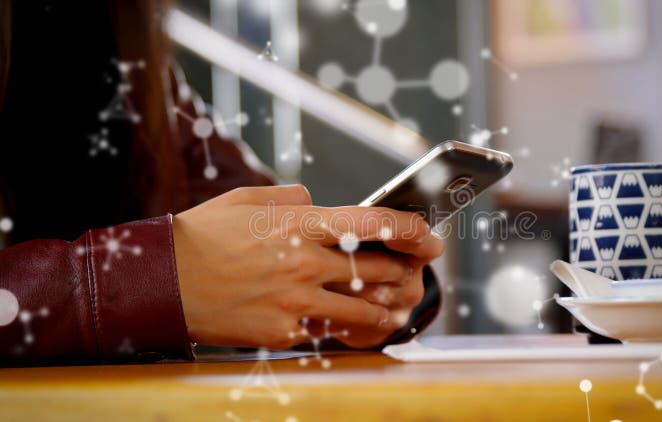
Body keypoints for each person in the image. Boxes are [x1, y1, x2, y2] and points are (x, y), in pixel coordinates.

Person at [0, 0, 443, 364]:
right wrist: (157, 281)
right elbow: (190, 270)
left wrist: (351, 293)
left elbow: (266, 250)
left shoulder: (137, 59)